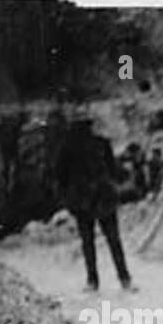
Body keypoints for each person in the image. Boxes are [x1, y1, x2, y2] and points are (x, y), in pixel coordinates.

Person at [53, 111, 135, 293]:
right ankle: (124, 279)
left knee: (88, 242)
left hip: (83, 201)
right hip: (102, 198)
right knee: (113, 240)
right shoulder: (100, 144)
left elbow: (59, 175)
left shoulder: (66, 148)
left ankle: (93, 281)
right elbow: (113, 170)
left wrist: (68, 197)